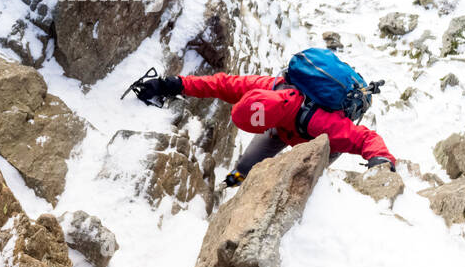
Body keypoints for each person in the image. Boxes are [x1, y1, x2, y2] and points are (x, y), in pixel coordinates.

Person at [129, 70, 397, 186]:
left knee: (306, 176)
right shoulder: (266, 87)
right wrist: (174, 84)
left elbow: (364, 138)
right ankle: (236, 182)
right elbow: (220, 84)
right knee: (247, 164)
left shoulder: (320, 123)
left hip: (312, 138)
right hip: (283, 129)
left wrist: (381, 159)